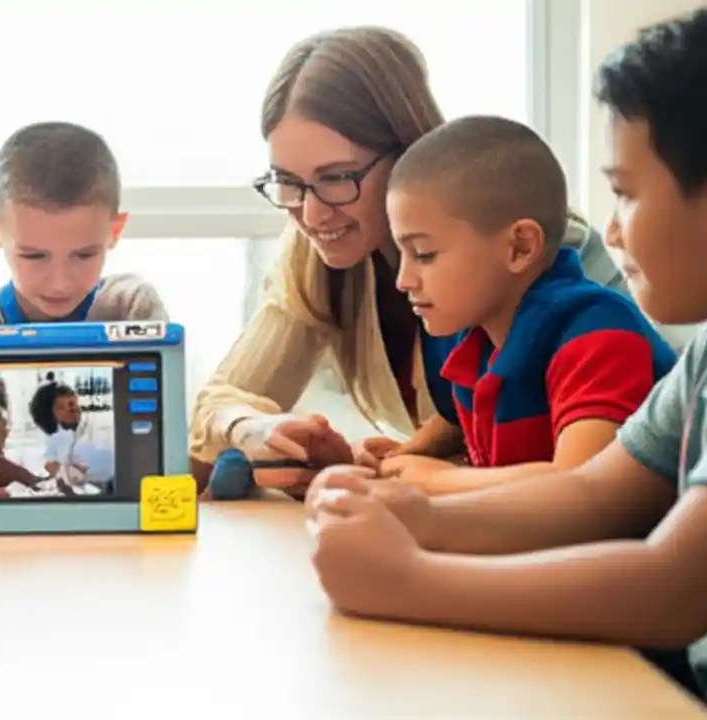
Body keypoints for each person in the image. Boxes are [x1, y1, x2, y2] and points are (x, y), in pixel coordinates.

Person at [306, 7, 707, 697]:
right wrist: (417, 516)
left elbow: (676, 588)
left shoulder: (590, 324)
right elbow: (592, 493)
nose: (609, 229)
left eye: (625, 193)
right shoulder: (701, 359)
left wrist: (409, 578)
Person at [188, 27, 637, 493]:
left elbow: (586, 482)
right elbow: (470, 416)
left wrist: (436, 478)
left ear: (408, 154)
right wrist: (265, 432)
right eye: (288, 182)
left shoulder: (538, 277)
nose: (311, 213)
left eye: (337, 177)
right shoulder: (325, 253)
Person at [379, 114, 675, 496]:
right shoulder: (476, 341)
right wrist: (397, 464)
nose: (403, 279)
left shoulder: (598, 334)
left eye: (424, 253)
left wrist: (432, 479)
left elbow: (578, 489)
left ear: (520, 247)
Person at [0, 121, 169, 327]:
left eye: (84, 255)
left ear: (115, 231)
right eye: (34, 256)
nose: (60, 283)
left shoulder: (130, 308)